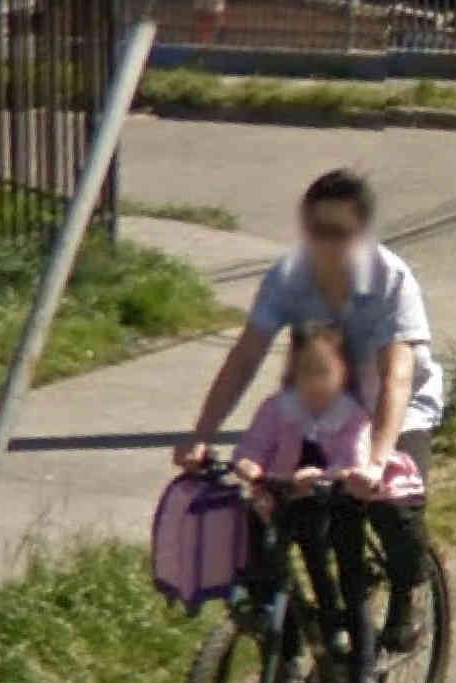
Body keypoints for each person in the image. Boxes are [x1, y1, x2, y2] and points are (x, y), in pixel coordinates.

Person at [176, 167, 442, 653]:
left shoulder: (391, 280)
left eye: (340, 233)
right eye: (317, 231)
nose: (327, 245)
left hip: (395, 410)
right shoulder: (289, 276)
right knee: (271, 509)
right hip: (320, 411)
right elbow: (246, 355)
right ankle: (296, 632)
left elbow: (397, 377)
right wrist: (202, 433)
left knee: (392, 504)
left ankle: (408, 592)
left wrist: (376, 461)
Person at [233, 322, 427, 683]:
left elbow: (354, 459)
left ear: (343, 373)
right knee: (265, 569)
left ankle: (364, 670)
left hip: (335, 502)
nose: (313, 382)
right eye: (305, 370)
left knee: (348, 580)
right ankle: (287, 653)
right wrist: (250, 466)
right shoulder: (277, 408)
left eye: (323, 372)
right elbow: (253, 445)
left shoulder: (352, 416)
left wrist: (325, 476)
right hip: (286, 502)